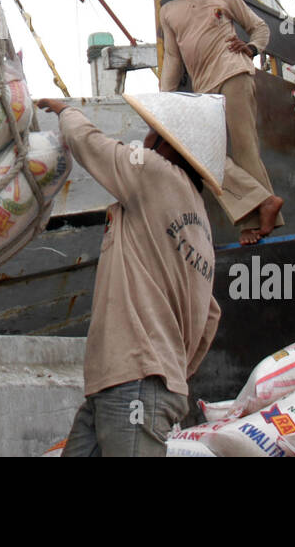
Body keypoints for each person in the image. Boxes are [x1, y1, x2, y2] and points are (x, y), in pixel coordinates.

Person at [37, 96, 221, 457]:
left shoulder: (154, 173)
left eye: (152, 132)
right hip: (127, 382)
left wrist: (65, 112)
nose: (144, 140)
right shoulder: (199, 217)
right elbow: (210, 314)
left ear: (170, 143)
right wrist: (174, 373)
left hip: (135, 382)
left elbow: (93, 147)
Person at [158, 0, 284, 245]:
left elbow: (259, 28)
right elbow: (173, 58)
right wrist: (163, 97)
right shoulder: (169, 11)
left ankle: (252, 224)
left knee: (243, 148)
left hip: (233, 72)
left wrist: (252, 49)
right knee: (206, 155)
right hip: (203, 89)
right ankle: (264, 202)